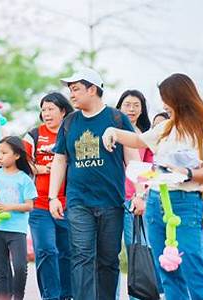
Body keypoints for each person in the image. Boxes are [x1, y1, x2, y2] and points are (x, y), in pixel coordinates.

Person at [102, 73, 203, 300]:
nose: (163, 104)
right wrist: (114, 133)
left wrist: (187, 173)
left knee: (192, 266)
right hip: (157, 201)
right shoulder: (166, 127)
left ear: (179, 97)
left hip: (186, 203)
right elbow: (139, 140)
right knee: (167, 268)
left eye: (166, 98)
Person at [48, 68, 143, 300]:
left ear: (92, 89)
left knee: (108, 259)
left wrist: (140, 193)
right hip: (79, 201)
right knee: (81, 256)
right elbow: (60, 159)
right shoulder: (69, 122)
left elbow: (133, 158)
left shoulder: (116, 119)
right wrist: (53, 197)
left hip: (112, 202)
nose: (71, 94)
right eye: (70, 89)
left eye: (76, 89)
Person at [23, 92, 73, 300]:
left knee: (67, 252)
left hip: (68, 204)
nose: (46, 113)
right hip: (40, 205)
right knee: (45, 250)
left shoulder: (72, 132)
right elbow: (20, 162)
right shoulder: (33, 135)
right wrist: (39, 168)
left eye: (51, 109)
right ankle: (50, 296)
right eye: (43, 109)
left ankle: (66, 295)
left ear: (63, 111)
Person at [115, 89, 162, 299]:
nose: (131, 109)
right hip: (110, 199)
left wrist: (141, 196)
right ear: (119, 107)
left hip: (134, 200)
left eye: (136, 105)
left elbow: (150, 169)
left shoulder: (145, 136)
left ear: (142, 109)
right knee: (108, 255)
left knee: (137, 250)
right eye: (127, 104)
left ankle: (138, 296)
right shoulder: (111, 131)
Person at [0, 136, 37, 300]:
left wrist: (9, 207)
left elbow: (30, 206)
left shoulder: (24, 179)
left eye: (4, 153)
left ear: (16, 155)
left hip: (16, 230)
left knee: (20, 267)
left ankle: (18, 297)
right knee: (0, 270)